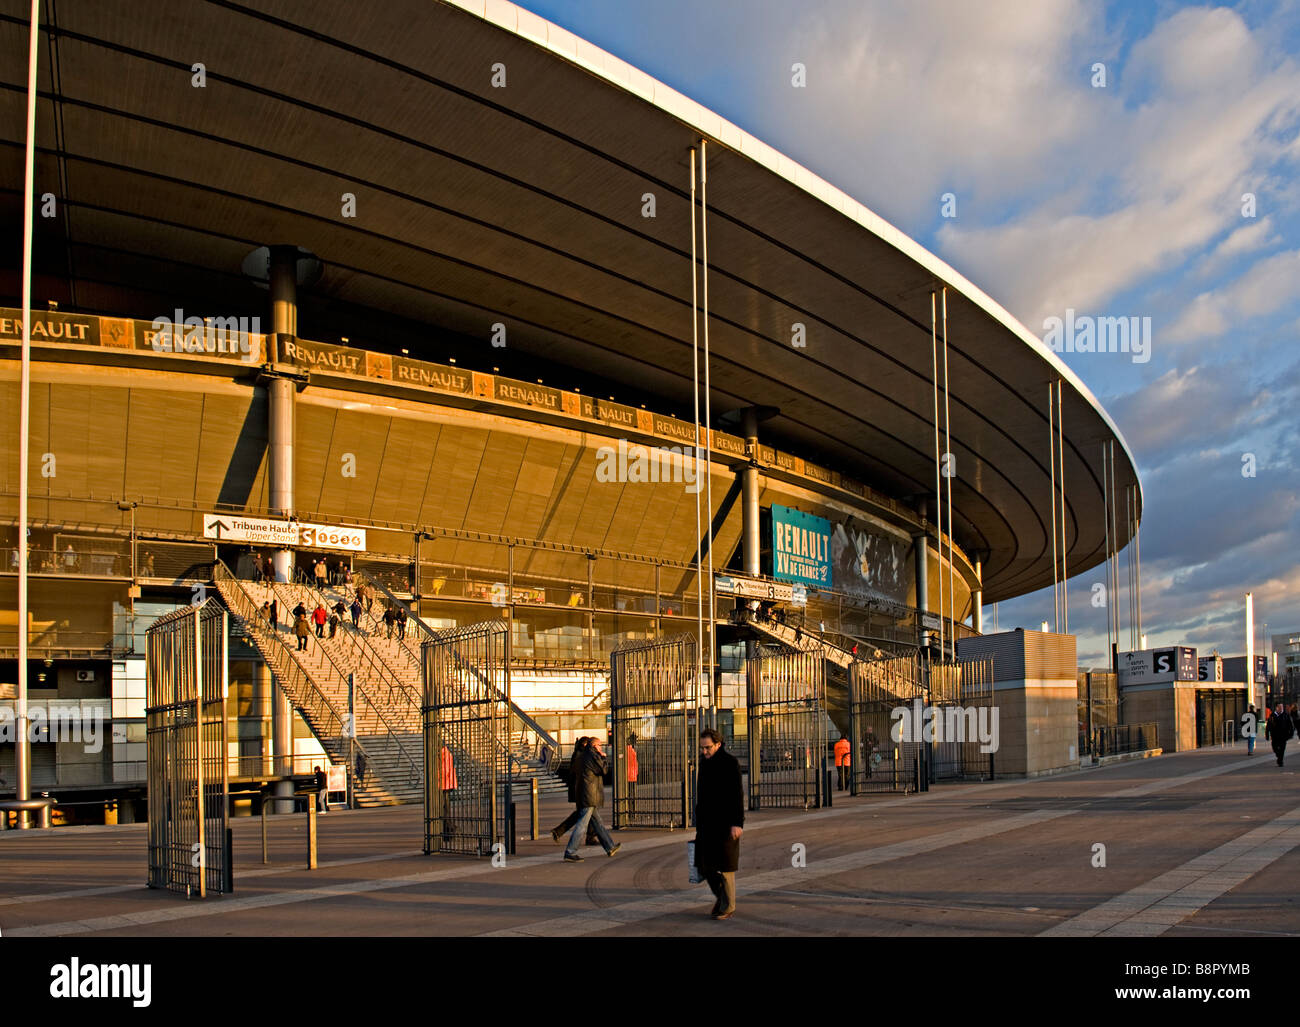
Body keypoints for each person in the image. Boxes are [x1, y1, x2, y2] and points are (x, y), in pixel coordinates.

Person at [694, 727, 743, 920]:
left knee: (725, 866)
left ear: (718, 744)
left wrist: (737, 823)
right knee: (704, 865)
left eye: (707, 748)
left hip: (726, 823)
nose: (704, 752)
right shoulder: (704, 763)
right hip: (707, 823)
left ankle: (728, 906)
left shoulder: (730, 763)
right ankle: (722, 897)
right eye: (702, 748)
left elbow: (737, 795)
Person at [563, 736, 620, 861]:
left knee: (598, 824)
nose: (601, 747)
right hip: (589, 795)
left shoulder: (582, 756)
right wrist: (603, 756)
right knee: (582, 825)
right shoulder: (592, 756)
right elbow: (604, 770)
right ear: (594, 745)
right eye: (599, 745)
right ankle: (570, 851)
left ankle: (609, 847)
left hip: (585, 794)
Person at [626, 733, 639, 817]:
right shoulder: (630, 750)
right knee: (631, 795)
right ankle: (632, 812)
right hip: (631, 775)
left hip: (630, 775)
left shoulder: (629, 749)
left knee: (630, 795)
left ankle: (631, 812)